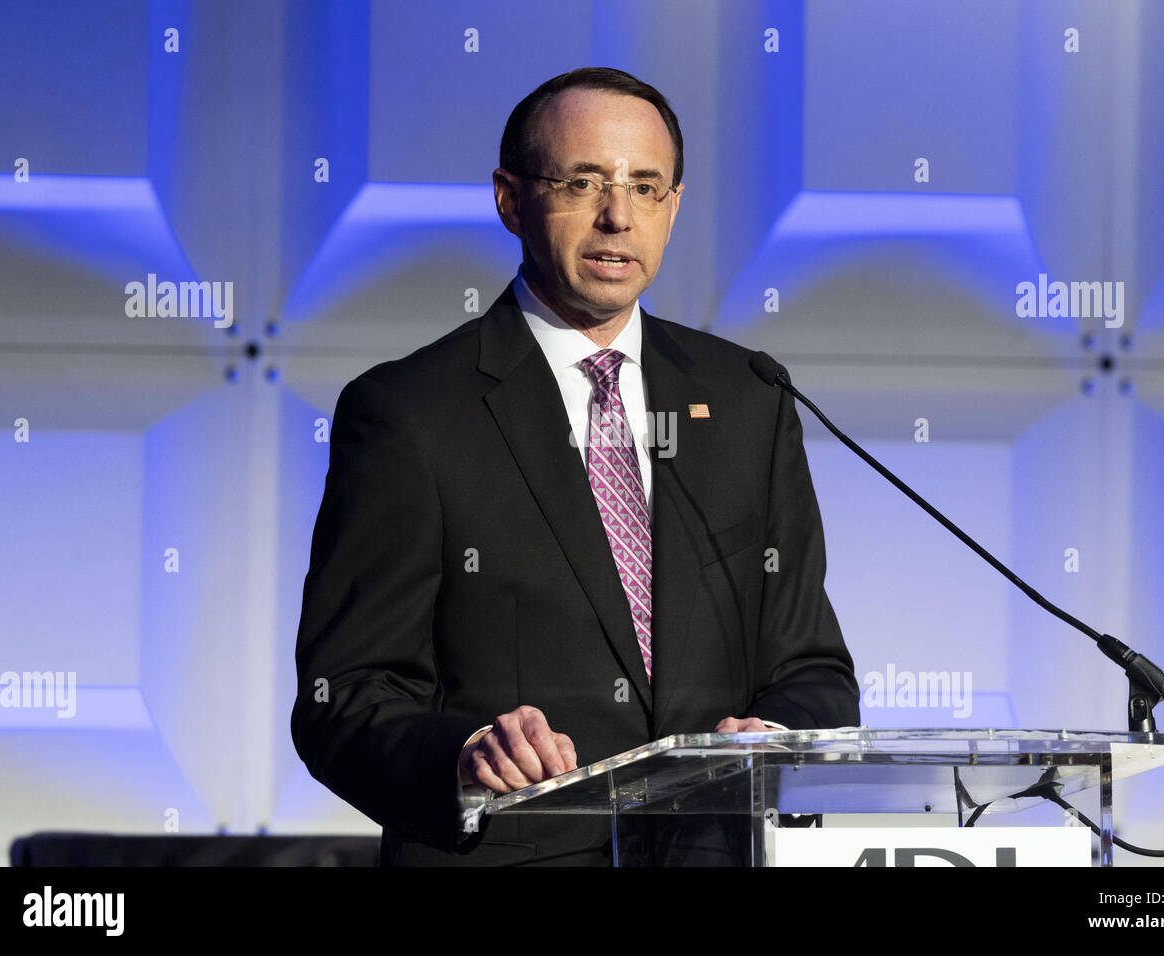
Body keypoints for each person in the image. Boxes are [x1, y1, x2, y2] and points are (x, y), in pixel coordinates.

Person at [290, 67, 860, 867]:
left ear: (674, 206)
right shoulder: (409, 414)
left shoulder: (747, 399)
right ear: (510, 199)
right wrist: (464, 757)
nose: (617, 215)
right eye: (582, 180)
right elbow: (342, 700)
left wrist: (779, 737)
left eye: (645, 185)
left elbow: (811, 669)